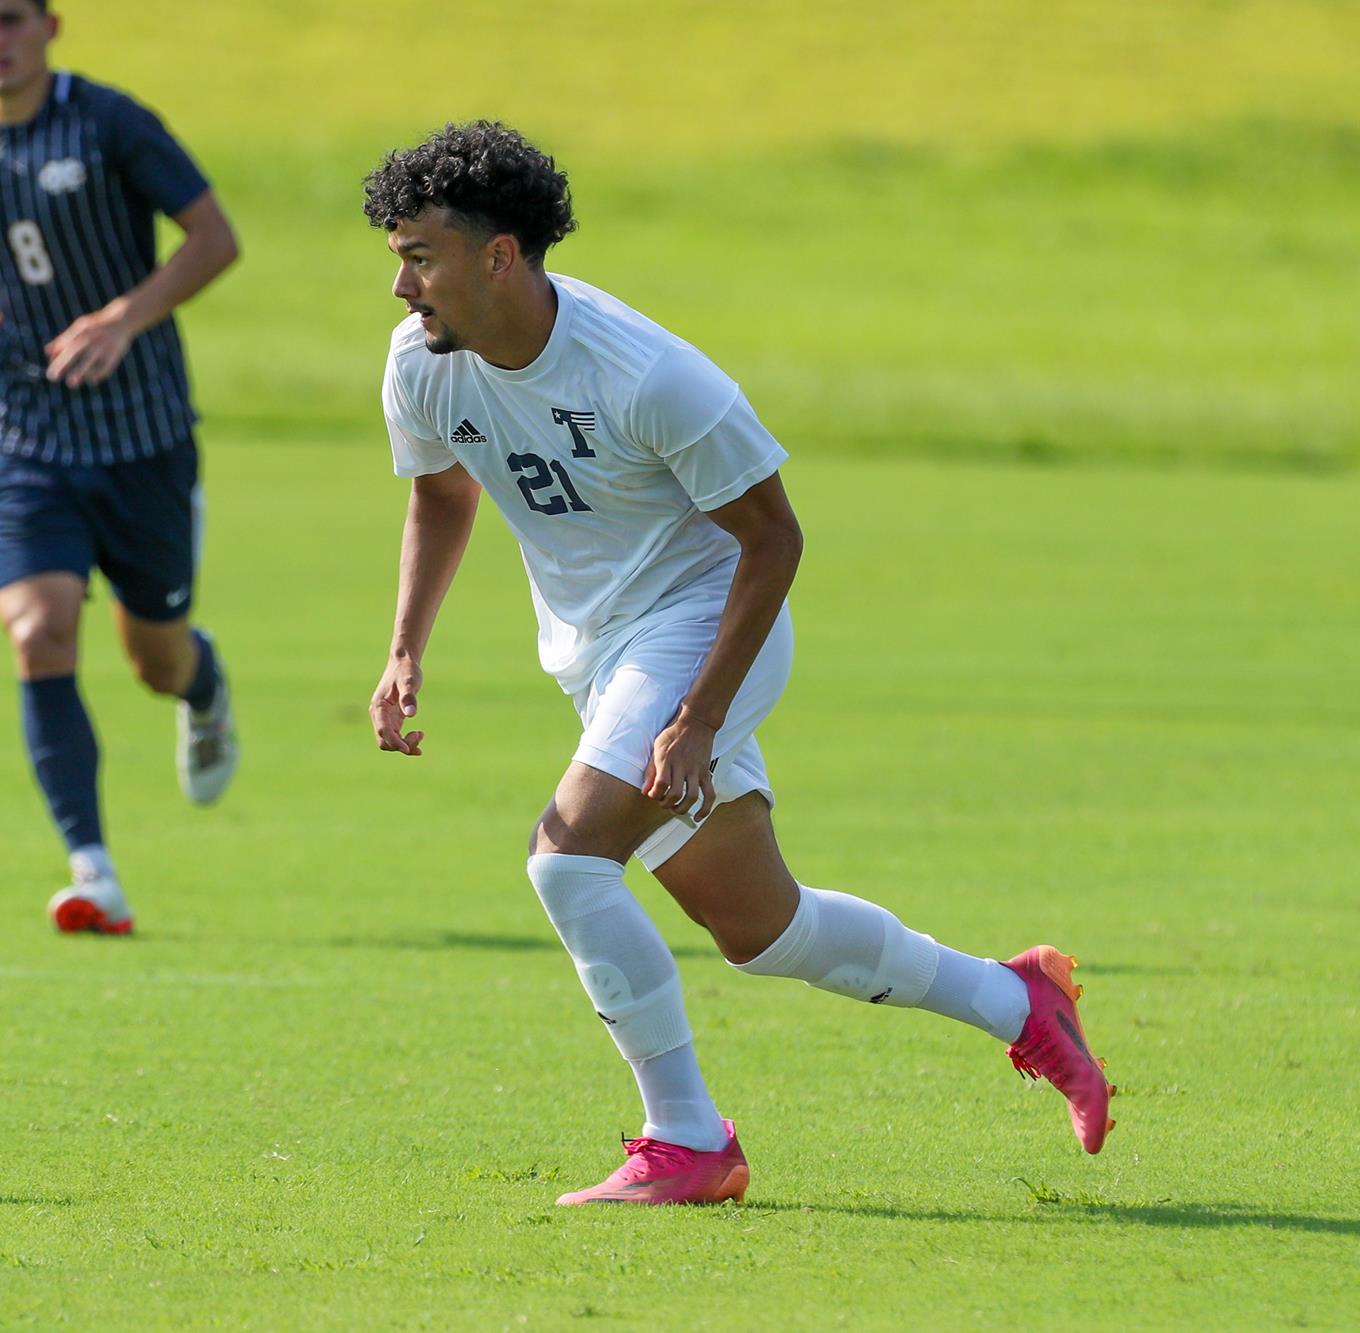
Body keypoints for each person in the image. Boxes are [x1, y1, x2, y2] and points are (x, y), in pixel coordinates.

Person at [362, 122, 1115, 1205]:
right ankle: (1020, 1002)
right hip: (598, 655)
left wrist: (699, 716)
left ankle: (686, 1140)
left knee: (566, 859)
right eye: (395, 256)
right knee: (763, 931)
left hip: (703, 623)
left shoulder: (649, 376)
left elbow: (773, 540)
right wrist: (402, 649)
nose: (400, 287)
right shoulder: (421, 365)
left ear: (500, 254)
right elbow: (440, 493)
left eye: (418, 256)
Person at [0, 0, 241, 935]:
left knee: (154, 659)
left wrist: (125, 316)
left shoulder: (112, 121)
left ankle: (203, 687)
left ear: (51, 25)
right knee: (38, 632)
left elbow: (214, 239)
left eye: (11, 19)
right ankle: (94, 868)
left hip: (143, 438)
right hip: (25, 440)